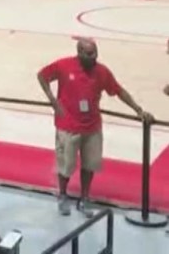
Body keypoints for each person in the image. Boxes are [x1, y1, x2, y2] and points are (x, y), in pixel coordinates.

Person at [38, 38, 152, 216]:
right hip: (68, 125)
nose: (94, 57)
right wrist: (53, 101)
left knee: (89, 165)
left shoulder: (102, 71)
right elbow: (42, 75)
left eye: (96, 53)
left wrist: (138, 109)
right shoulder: (63, 65)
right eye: (90, 54)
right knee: (66, 165)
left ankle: (84, 198)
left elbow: (118, 91)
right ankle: (62, 195)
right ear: (79, 52)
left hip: (92, 128)